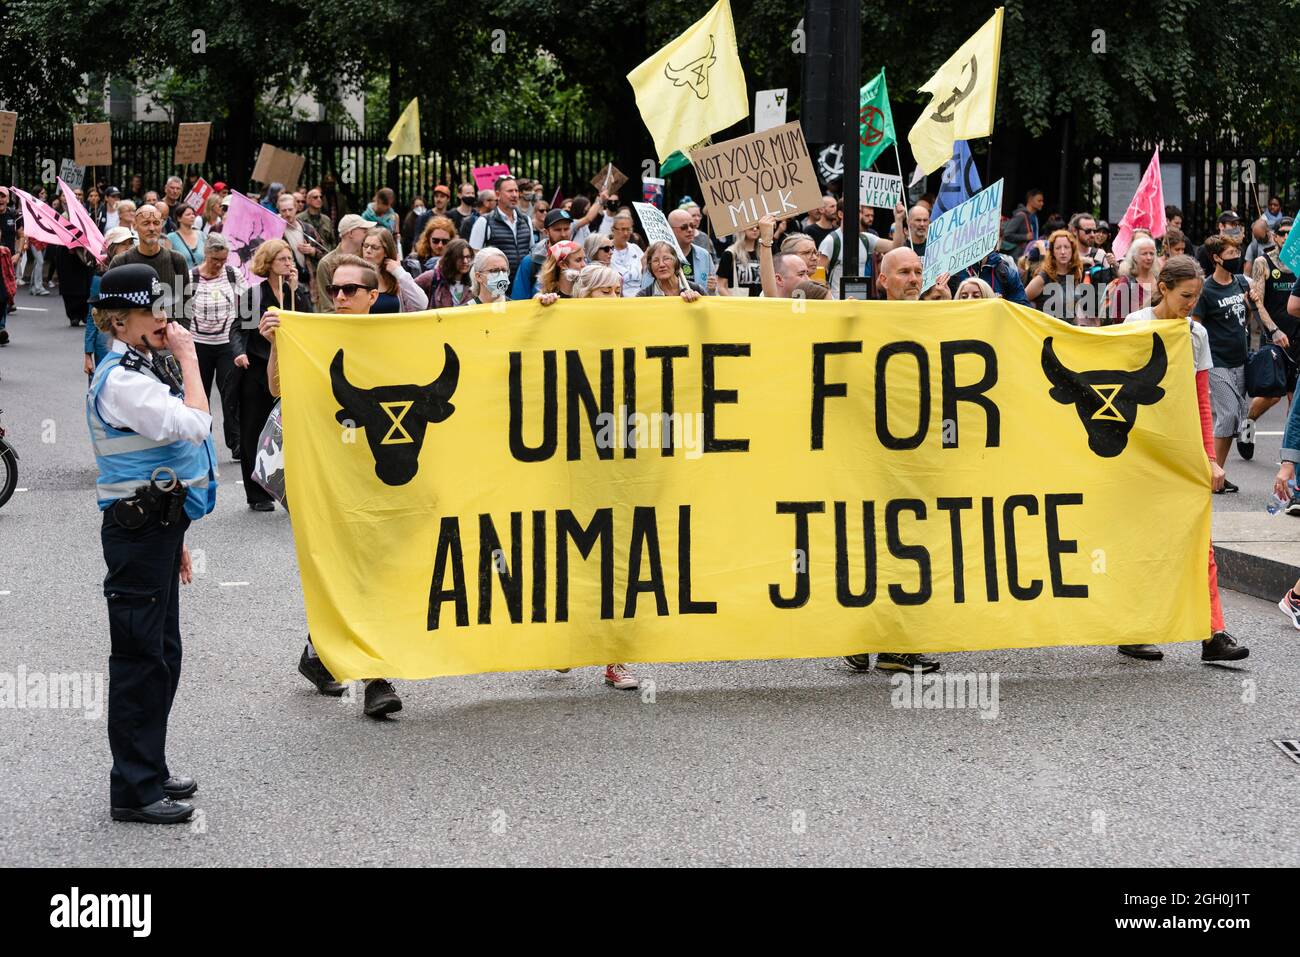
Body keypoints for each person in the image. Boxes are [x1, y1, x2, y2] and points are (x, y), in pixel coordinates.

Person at [87, 263, 218, 823]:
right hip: (138, 530)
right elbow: (194, 426)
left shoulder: (138, 364)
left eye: (164, 307)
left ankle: (152, 767)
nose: (165, 319)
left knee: (163, 654)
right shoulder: (122, 380)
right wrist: (191, 359)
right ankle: (134, 789)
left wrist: (178, 530)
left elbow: (162, 458)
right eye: (152, 311)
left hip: (157, 527)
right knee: (140, 659)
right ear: (119, 320)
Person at [259, 255, 403, 718]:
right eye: (334, 290)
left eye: (350, 291)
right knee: (350, 568)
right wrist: (279, 340)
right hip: (321, 471)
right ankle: (377, 679)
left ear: (372, 296)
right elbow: (279, 388)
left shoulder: (398, 337)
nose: (339, 297)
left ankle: (318, 654)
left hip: (372, 472)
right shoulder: (311, 332)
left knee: (371, 569)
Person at [1123, 255, 1248, 662]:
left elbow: (1201, 400)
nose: (1191, 304)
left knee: (1200, 543)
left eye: (1196, 297)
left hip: (1182, 454)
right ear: (1163, 288)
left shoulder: (1196, 334)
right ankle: (1133, 629)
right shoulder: (1136, 325)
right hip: (1141, 453)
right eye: (1185, 296)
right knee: (1141, 541)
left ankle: (1212, 632)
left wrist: (1210, 458)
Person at [843, 246, 946, 675]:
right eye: (904, 271)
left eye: (919, 271)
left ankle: (893, 645)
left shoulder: (938, 321)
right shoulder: (860, 318)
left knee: (911, 544)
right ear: (882, 280)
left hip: (920, 454)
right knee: (868, 542)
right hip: (869, 452)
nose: (914, 278)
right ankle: (862, 634)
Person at [232, 236, 311, 511]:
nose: (288, 263)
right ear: (269, 263)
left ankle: (290, 488)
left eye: (290, 258)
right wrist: (239, 352)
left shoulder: (296, 291)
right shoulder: (255, 294)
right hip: (256, 367)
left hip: (290, 368)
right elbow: (239, 328)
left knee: (291, 432)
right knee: (254, 430)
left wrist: (296, 291)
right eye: (282, 259)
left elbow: (309, 321)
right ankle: (257, 494)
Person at [1195, 235, 1282, 485]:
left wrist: (1274, 331)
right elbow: (1196, 328)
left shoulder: (1243, 283)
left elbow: (1257, 310)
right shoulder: (1206, 291)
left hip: (1241, 359)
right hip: (1215, 361)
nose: (1236, 257)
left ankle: (1218, 473)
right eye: (1231, 253)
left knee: (1240, 414)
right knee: (1230, 414)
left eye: (1237, 252)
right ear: (1216, 258)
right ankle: (1213, 474)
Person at [185, 230, 247, 463]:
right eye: (215, 260)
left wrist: (243, 339)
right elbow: (181, 311)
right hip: (198, 344)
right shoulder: (191, 277)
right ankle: (203, 441)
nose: (219, 264)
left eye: (223, 260)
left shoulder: (232, 274)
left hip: (226, 345)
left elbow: (249, 301)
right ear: (205, 255)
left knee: (230, 395)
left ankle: (237, 443)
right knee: (200, 395)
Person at [1245, 218, 1298, 440]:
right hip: (1274, 338)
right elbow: (1258, 303)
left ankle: (1290, 452)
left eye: (1290, 233)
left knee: (1294, 399)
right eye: (1282, 233)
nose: (1286, 237)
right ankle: (1246, 424)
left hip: (1297, 338)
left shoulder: (1297, 265)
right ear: (1274, 236)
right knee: (1273, 394)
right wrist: (1274, 331)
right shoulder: (1262, 262)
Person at [109, 205, 191, 327]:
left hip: (169, 337)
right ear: (135, 226)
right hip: (134, 339)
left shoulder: (177, 260)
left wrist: (180, 330)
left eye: (156, 223)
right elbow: (112, 304)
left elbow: (185, 301)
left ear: (162, 225)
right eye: (146, 223)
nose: (152, 228)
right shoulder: (121, 262)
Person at [84, 228, 136, 376]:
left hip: (133, 338)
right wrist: (88, 353)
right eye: (123, 244)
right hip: (106, 340)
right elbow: (92, 317)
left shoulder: (137, 271)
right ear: (112, 248)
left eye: (130, 243)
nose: (128, 247)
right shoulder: (100, 277)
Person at [468, 176, 532, 280]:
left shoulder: (526, 220)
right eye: (510, 191)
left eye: (516, 190)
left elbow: (531, 253)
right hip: (495, 287)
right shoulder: (484, 222)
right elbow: (474, 257)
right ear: (497, 194)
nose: (515, 195)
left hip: (523, 285)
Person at [1025, 230, 1091, 323]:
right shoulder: (1043, 277)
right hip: (1048, 333)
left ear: (1072, 250)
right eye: (1058, 248)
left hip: (1069, 332)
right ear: (1052, 252)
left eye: (1066, 247)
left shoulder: (1077, 273)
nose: (1063, 252)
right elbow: (1020, 300)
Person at [360, 226, 427, 313]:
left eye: (375, 247)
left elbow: (422, 304)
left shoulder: (395, 277)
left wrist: (400, 273)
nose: (368, 250)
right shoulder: (355, 274)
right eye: (365, 245)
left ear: (386, 252)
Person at [313, 213, 370, 312]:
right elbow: (327, 307)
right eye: (364, 231)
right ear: (351, 233)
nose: (367, 235)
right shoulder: (326, 263)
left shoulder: (366, 259)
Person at [513, 209, 574, 299]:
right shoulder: (530, 261)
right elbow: (518, 300)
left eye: (566, 229)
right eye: (557, 230)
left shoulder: (580, 258)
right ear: (546, 232)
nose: (563, 234)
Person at [1104, 235, 1158, 321]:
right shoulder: (1126, 282)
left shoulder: (1158, 279)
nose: (1149, 257)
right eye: (1144, 254)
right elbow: (1118, 318)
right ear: (1134, 257)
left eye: (1151, 253)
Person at [277, 192, 322, 284]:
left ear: (296, 208)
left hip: (310, 281)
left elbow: (324, 253)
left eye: (290, 209)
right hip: (287, 281)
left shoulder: (308, 229)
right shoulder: (276, 233)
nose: (287, 213)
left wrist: (312, 251)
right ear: (279, 211)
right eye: (283, 211)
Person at [418, 238, 474, 308]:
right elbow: (408, 293)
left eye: (468, 257)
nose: (465, 261)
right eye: (460, 257)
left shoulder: (474, 281)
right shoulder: (432, 277)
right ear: (451, 258)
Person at [637, 242, 704, 299]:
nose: (661, 265)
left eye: (666, 259)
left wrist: (699, 301)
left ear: (676, 262)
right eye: (655, 260)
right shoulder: (644, 296)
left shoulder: (696, 289)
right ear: (650, 266)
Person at [717, 225, 762, 296]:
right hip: (738, 303)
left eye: (758, 226)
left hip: (760, 303)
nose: (755, 229)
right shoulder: (730, 253)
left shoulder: (764, 253)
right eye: (751, 226)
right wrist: (734, 304)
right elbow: (721, 286)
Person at [608, 211, 643, 296]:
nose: (626, 233)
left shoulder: (635, 248)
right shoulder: (606, 250)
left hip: (640, 298)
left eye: (629, 229)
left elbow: (646, 268)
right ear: (613, 230)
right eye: (623, 229)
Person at [1001, 188, 1044, 258]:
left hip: (1028, 255)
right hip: (1018, 257)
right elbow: (1007, 234)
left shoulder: (1034, 217)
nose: (1042, 203)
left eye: (1042, 201)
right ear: (1030, 200)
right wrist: (1025, 237)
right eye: (1039, 201)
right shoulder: (1021, 216)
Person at [166, 204, 206, 270]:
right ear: (179, 218)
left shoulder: (201, 235)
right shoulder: (170, 237)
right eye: (188, 214)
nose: (192, 216)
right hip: (180, 277)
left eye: (193, 214)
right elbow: (169, 264)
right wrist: (178, 280)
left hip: (199, 278)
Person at [298, 186, 337, 251]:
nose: (319, 199)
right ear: (308, 200)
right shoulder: (299, 218)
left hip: (325, 254)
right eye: (315, 197)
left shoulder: (326, 219)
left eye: (320, 197)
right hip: (307, 255)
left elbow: (333, 242)